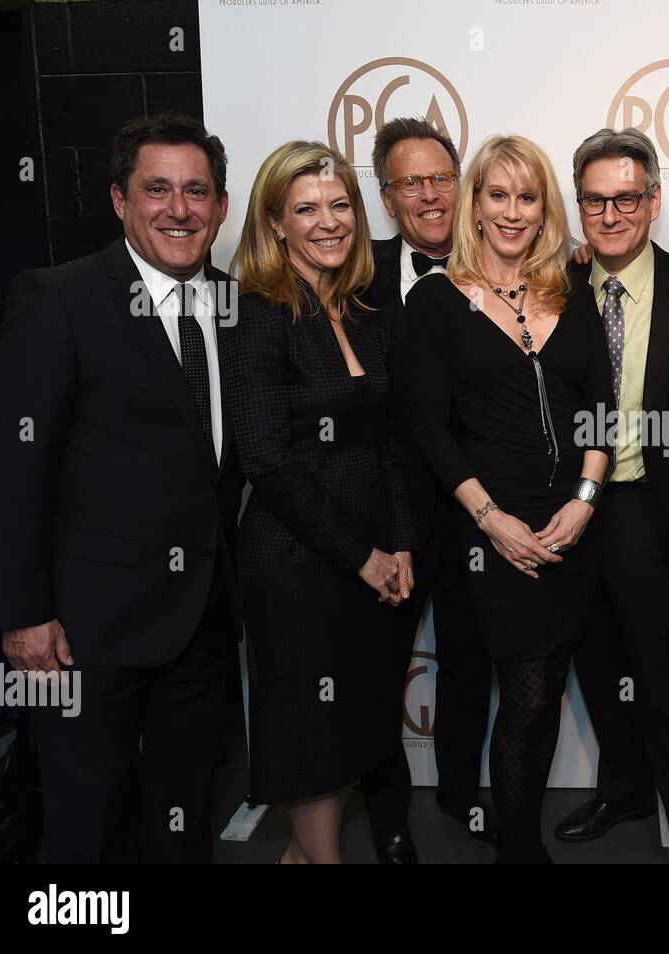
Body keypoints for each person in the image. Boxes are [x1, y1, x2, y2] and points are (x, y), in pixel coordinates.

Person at [0, 112, 244, 862]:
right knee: (85, 826)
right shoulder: (59, 298)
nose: (179, 208)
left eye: (197, 191)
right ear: (119, 199)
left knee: (182, 812)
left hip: (201, 620)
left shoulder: (239, 307)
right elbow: (12, 468)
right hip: (84, 631)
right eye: (157, 189)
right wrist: (22, 614)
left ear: (221, 206)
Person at [408, 135, 613, 863]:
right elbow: (428, 426)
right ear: (474, 204)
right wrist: (491, 521)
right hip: (495, 530)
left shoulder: (571, 290)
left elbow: (601, 407)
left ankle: (522, 843)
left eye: (528, 197)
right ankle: (519, 851)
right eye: (497, 195)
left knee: (548, 691)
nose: (513, 211)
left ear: (545, 208)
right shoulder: (436, 300)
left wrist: (586, 500)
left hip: (574, 525)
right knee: (524, 697)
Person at [222, 140, 416, 864]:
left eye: (340, 205)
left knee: (350, 731)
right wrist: (361, 556)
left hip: (370, 558)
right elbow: (266, 460)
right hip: (297, 564)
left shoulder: (360, 311)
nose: (328, 222)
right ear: (275, 223)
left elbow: (387, 443)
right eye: (306, 209)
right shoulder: (257, 314)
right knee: (311, 736)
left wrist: (399, 542)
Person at [554, 128, 669, 862]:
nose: (611, 214)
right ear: (579, 207)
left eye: (627, 198)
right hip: (569, 511)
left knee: (668, 681)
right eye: (595, 201)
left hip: (653, 512)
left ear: (654, 201)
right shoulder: (552, 288)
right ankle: (623, 790)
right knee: (597, 665)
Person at [373, 117, 497, 855]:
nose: (429, 195)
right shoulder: (351, 275)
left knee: (470, 658)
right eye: (410, 183)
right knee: (379, 667)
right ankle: (388, 818)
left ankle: (460, 792)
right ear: (387, 198)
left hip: (478, 509)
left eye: (441, 178)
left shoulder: (503, 261)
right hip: (387, 512)